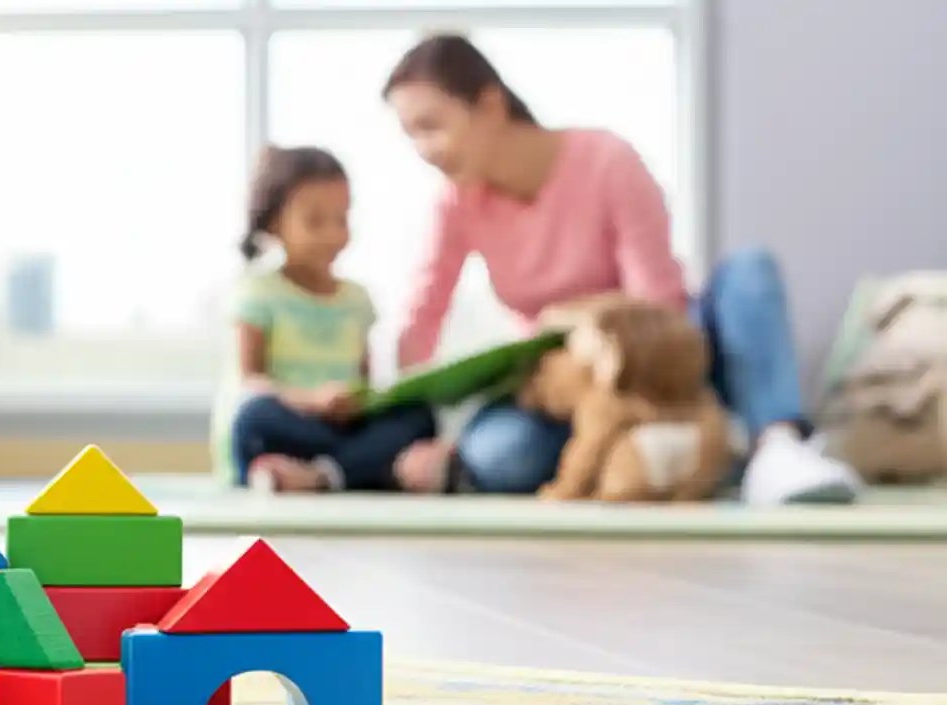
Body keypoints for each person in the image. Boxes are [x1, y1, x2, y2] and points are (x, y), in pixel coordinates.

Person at [380, 34, 862, 505]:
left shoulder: (604, 160)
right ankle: (690, 452)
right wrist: (388, 408)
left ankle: (775, 447)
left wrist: (582, 323)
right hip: (572, 384)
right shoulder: (457, 204)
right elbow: (424, 313)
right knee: (498, 455)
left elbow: (659, 301)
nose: (425, 149)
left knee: (749, 271)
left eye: (431, 126)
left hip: (662, 353)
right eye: (411, 135)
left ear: (489, 104)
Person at [210, 145, 437, 492]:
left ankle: (321, 476)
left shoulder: (357, 300)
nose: (333, 235)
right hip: (287, 425)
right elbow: (250, 380)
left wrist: (357, 402)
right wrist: (310, 400)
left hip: (336, 431)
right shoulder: (257, 292)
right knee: (253, 416)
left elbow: (364, 383)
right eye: (315, 222)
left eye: (342, 219)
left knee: (418, 416)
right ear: (274, 223)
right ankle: (359, 469)